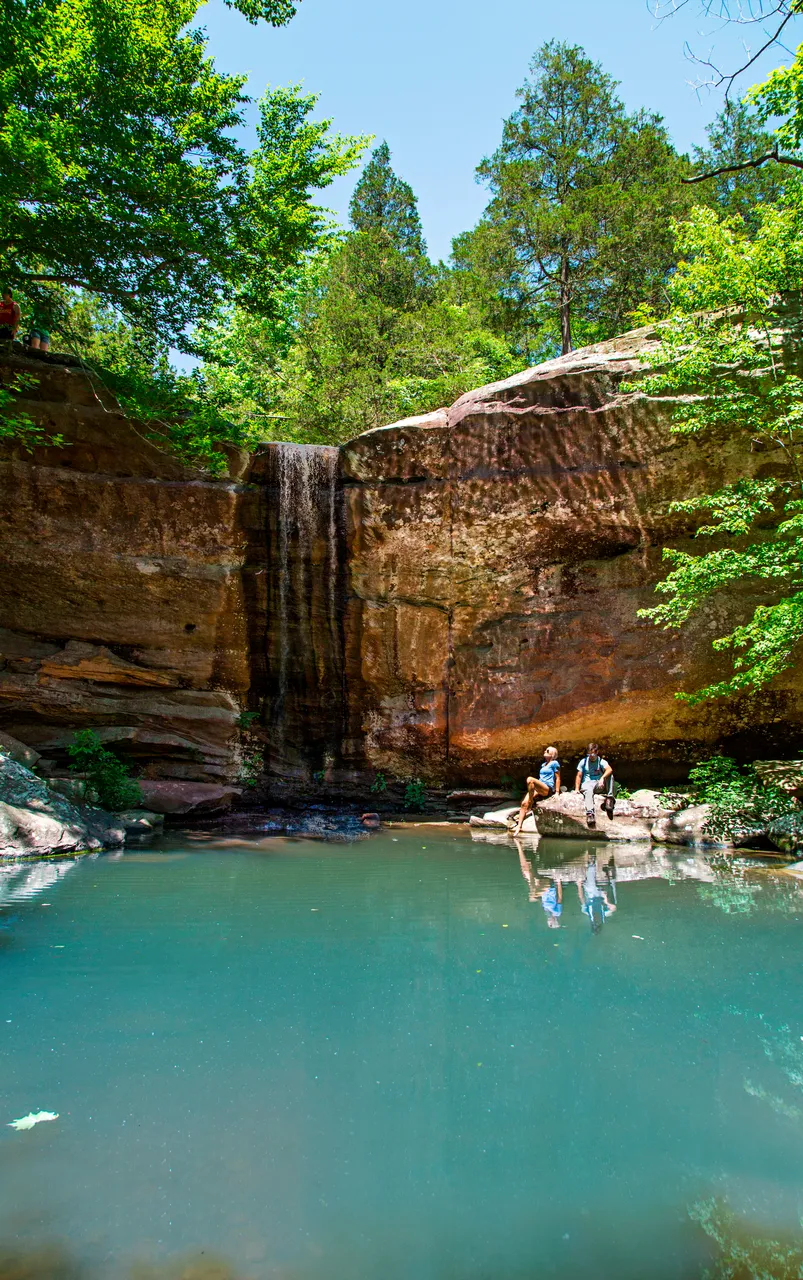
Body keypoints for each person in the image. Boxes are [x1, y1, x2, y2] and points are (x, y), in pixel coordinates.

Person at [513, 746, 561, 836]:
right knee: (524, 803)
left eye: (547, 751)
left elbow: (558, 778)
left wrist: (557, 792)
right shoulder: (543, 765)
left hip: (547, 788)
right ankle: (519, 826)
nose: (545, 751)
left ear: (552, 754)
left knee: (530, 779)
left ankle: (531, 801)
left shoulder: (555, 763)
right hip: (539, 787)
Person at [574, 741, 615, 828]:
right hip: (587, 785)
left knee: (609, 776)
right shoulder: (583, 762)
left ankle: (609, 799)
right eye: (589, 754)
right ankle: (590, 813)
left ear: (597, 752)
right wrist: (577, 789)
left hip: (598, 785)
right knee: (588, 791)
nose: (591, 756)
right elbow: (579, 775)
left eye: (593, 754)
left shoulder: (601, 761)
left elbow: (609, 769)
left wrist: (602, 778)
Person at [577, 853, 616, 934]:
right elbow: (613, 907)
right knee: (612, 896)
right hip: (602, 895)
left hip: (591, 893)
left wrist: (579, 885)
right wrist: (607, 901)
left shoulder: (586, 911)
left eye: (595, 923)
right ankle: (610, 871)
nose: (597, 920)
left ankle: (592, 862)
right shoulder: (606, 913)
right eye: (598, 923)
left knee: (591, 884)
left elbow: (581, 897)